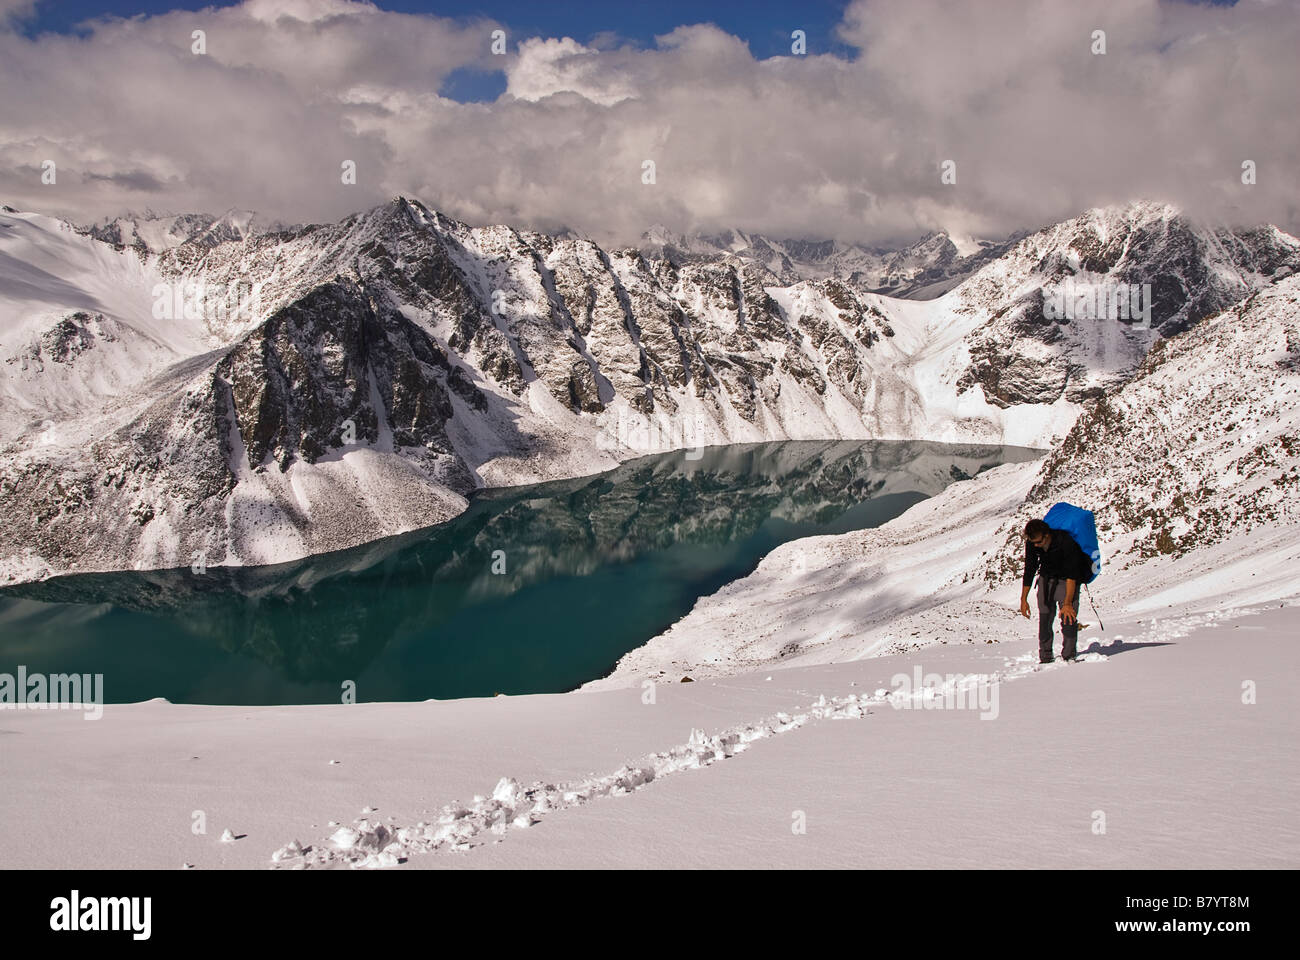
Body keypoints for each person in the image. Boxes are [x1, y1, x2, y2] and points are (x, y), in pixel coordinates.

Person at [1018, 518, 1092, 663]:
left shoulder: (1066, 542)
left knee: (1068, 618)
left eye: (1039, 542)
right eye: (1033, 542)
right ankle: (1045, 657)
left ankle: (1069, 656)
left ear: (1047, 535)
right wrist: (1023, 599)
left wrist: (1068, 603)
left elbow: (1073, 575)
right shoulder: (1033, 543)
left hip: (1068, 582)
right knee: (1045, 619)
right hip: (1046, 581)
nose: (1036, 545)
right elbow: (1029, 569)